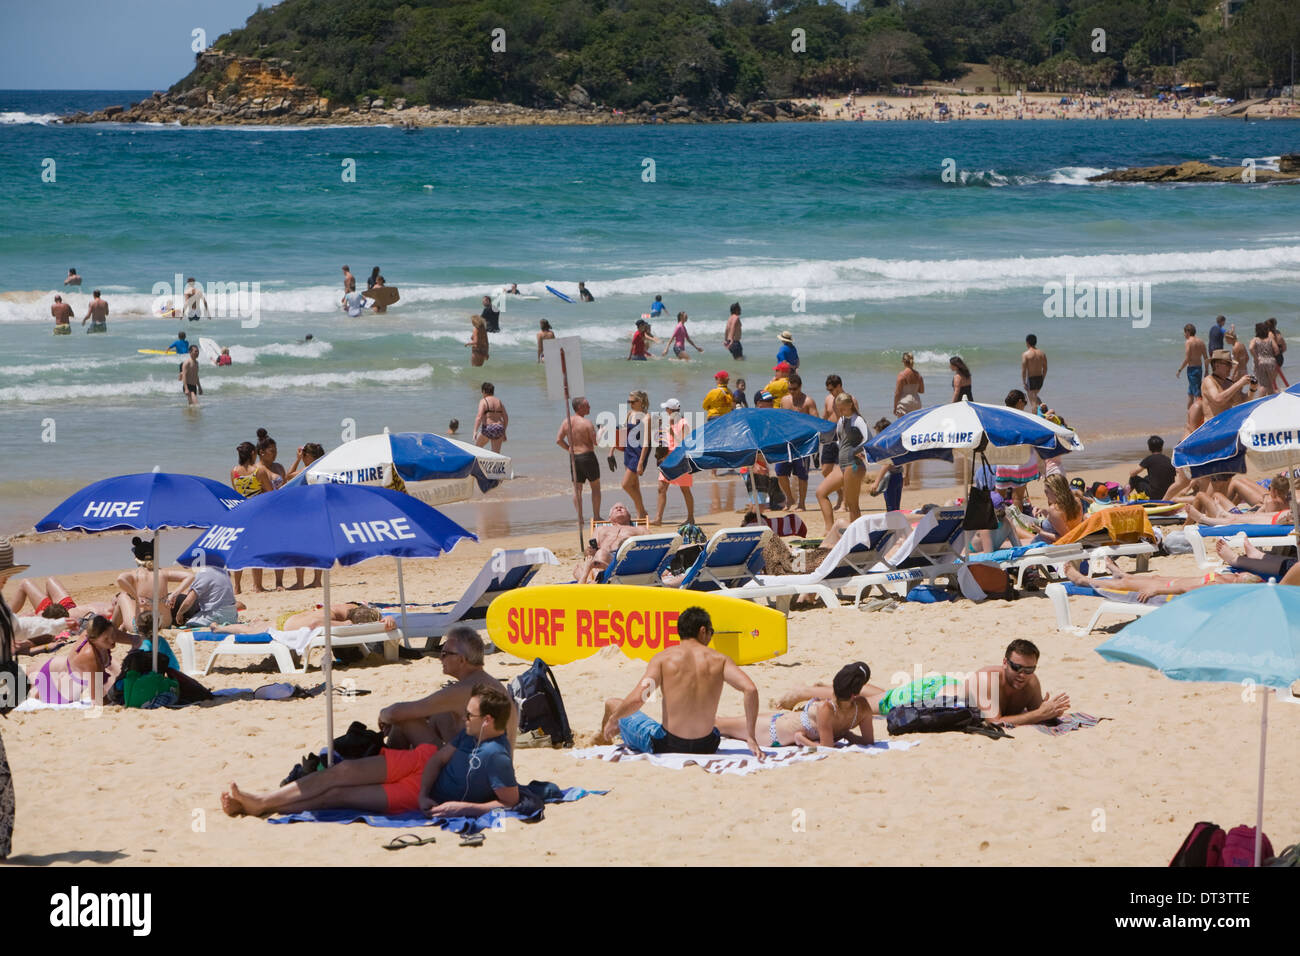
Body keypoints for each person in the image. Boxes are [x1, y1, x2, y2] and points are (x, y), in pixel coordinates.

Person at [222, 684, 518, 819]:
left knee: (336, 796)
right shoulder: (470, 735)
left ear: (488, 721)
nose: (464, 719)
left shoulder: (498, 758)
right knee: (342, 771)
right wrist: (427, 786)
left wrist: (464, 808)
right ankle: (260, 800)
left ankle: (264, 807)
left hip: (417, 795)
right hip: (422, 763)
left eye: (470, 715)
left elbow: (509, 804)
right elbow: (439, 757)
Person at [600, 606, 763, 758]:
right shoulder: (720, 660)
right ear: (703, 630)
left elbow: (639, 698)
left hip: (668, 745)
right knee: (714, 728)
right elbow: (750, 689)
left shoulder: (663, 659)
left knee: (614, 704)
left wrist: (615, 718)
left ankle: (602, 740)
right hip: (707, 745)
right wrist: (751, 737)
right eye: (711, 632)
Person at [785, 639, 1069, 727]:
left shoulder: (1030, 682)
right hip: (933, 694)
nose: (1023, 674)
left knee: (888, 695)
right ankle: (807, 691)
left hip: (947, 687)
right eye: (1017, 667)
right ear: (1005, 662)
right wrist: (1037, 715)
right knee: (873, 705)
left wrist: (1046, 711)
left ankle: (818, 686)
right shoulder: (987, 679)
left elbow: (1034, 712)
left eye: (1029, 670)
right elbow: (993, 721)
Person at [380, 627, 518, 750]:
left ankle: (389, 770)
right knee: (439, 715)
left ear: (462, 660)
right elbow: (424, 709)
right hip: (493, 768)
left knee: (404, 722)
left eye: (445, 653)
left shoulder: (463, 690)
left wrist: (383, 715)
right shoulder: (490, 683)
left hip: (473, 774)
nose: (440, 658)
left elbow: (395, 712)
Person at [719, 662, 875, 748]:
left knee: (718, 725)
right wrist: (850, 735)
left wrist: (801, 740)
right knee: (720, 724)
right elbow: (869, 741)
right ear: (856, 692)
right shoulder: (863, 708)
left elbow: (826, 749)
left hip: (773, 731)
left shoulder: (826, 708)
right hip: (778, 723)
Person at [230, 441, 277, 593]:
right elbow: (270, 494)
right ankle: (257, 586)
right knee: (256, 549)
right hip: (257, 513)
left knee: (240, 550)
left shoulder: (234, 472)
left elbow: (236, 494)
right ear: (252, 453)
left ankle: (236, 587)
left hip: (241, 512)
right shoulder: (259, 471)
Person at [817, 394, 868, 531]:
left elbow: (868, 439)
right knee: (821, 493)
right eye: (838, 409)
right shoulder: (842, 420)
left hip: (854, 465)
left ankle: (856, 536)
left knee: (852, 505)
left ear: (850, 405)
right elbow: (840, 440)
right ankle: (829, 530)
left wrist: (856, 450)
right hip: (842, 464)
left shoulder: (858, 420)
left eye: (843, 409)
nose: (841, 412)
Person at [777, 374, 818, 510]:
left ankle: (802, 503)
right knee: (780, 472)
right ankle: (789, 499)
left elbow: (816, 421)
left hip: (802, 443)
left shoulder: (808, 402)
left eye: (794, 389)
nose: (792, 392)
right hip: (786, 441)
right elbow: (780, 419)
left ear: (800, 387)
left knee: (801, 474)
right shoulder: (784, 400)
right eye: (790, 389)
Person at [557, 397, 601, 520]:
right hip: (588, 457)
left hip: (574, 458)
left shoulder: (566, 422)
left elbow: (558, 440)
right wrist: (601, 431)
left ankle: (580, 518)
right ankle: (596, 516)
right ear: (580, 407)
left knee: (577, 489)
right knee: (595, 487)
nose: (590, 407)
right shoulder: (587, 423)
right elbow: (596, 442)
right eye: (587, 405)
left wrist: (569, 449)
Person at [575, 504, 642, 582]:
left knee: (600, 554)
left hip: (628, 558)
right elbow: (588, 553)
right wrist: (589, 551)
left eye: (622, 508)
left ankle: (595, 581)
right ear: (609, 518)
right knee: (599, 555)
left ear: (629, 516)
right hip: (605, 559)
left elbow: (656, 545)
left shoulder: (639, 529)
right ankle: (597, 579)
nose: (619, 508)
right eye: (615, 508)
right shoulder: (600, 529)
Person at [654, 398, 695, 526]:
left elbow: (684, 443)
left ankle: (690, 518)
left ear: (671, 410)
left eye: (666, 409)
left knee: (685, 489)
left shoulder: (683, 423)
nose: (665, 411)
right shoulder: (667, 423)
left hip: (680, 460)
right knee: (661, 487)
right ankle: (658, 518)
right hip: (667, 460)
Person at [1200, 350, 1258, 423]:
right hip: (1212, 426)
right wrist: (1239, 383)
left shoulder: (1229, 383)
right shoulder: (1208, 380)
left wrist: (1252, 388)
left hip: (1227, 425)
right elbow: (1218, 400)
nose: (1231, 367)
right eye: (1228, 364)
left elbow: (1243, 402)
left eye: (1231, 365)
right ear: (1216, 365)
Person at [621, 390, 652, 519]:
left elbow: (646, 442)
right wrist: (612, 450)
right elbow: (623, 434)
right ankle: (640, 514)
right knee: (634, 485)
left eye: (633, 402)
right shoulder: (629, 414)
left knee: (626, 485)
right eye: (629, 402)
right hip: (628, 450)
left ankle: (642, 511)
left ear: (640, 402)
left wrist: (641, 462)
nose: (630, 404)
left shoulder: (646, 417)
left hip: (639, 452)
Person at [1176, 323, 1208, 418]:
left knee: (1197, 395)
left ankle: (1201, 415)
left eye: (1185, 333)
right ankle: (1189, 415)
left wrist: (1180, 370)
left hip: (1192, 370)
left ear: (1188, 332)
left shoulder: (1189, 342)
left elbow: (1187, 359)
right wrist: (1207, 370)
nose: (1184, 335)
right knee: (1190, 393)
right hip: (1199, 369)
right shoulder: (1201, 342)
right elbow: (1206, 357)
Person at [1129, 435, 1176, 500]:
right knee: (1147, 477)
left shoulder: (1150, 459)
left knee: (1133, 478)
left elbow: (1132, 473)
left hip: (1153, 495)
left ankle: (1124, 498)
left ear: (1149, 448)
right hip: (1168, 494)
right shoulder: (1169, 460)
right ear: (1162, 447)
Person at [474, 382, 508, 453]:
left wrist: (475, 432)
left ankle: (477, 463)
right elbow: (506, 417)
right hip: (499, 428)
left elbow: (479, 417)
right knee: (496, 453)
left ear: (483, 391)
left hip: (488, 428)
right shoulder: (499, 401)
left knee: (476, 450)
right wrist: (504, 432)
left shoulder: (483, 401)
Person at [1249, 321, 1280, 395]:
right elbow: (1277, 350)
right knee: (1270, 383)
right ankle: (1271, 399)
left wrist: (1256, 358)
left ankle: (1261, 400)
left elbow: (1250, 348)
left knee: (1263, 384)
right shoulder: (1270, 339)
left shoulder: (1255, 339)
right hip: (1270, 362)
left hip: (1260, 362)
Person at [1021, 334, 1047, 408]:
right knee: (1034, 397)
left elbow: (1024, 370)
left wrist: (1024, 383)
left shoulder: (1025, 354)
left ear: (1027, 342)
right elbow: (1045, 368)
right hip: (1039, 378)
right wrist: (1043, 378)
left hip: (1031, 380)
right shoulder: (1042, 353)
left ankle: (1036, 415)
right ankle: (1043, 408)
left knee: (1033, 403)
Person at [1266, 317, 1288, 385]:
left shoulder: (1268, 334)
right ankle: (1277, 389)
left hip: (1272, 359)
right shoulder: (1278, 333)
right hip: (1280, 359)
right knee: (1274, 378)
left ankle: (1273, 392)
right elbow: (1284, 348)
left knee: (1269, 380)